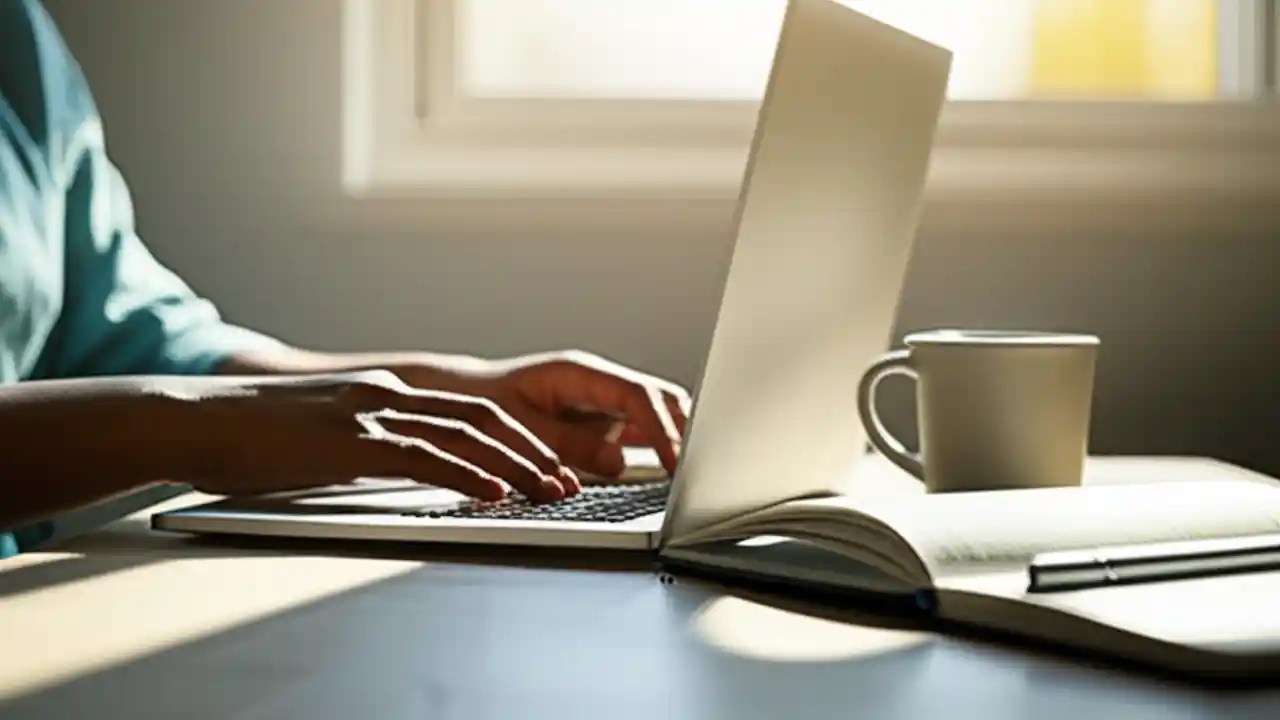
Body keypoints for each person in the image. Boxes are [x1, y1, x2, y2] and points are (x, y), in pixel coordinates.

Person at [0, 0, 688, 556]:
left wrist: (445, 391)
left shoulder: (16, 36)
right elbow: (169, 398)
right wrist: (186, 430)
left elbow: (132, 341)